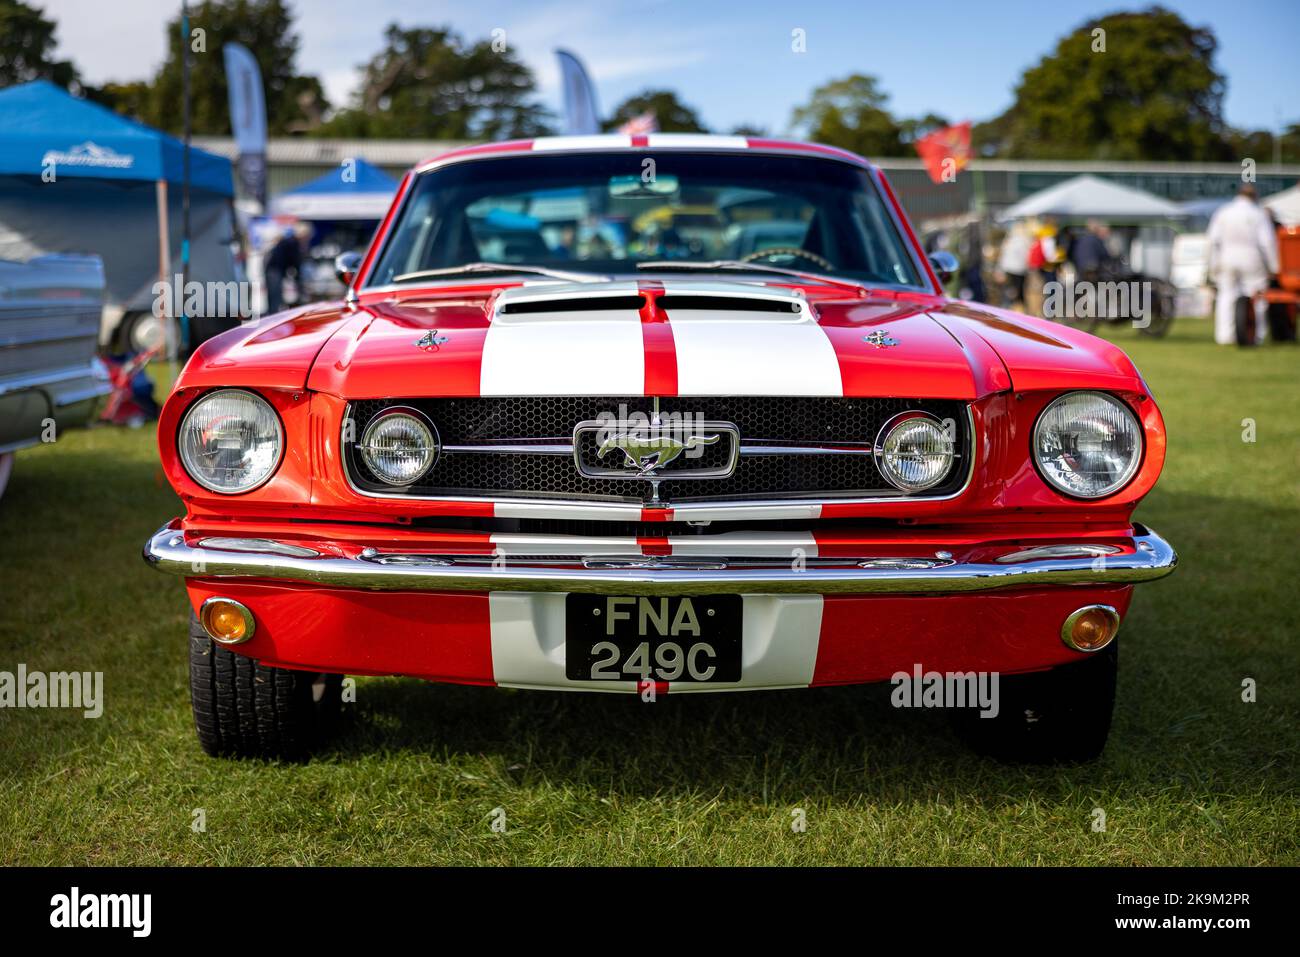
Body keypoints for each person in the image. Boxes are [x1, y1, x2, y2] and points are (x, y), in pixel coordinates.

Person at [1206, 184, 1279, 345]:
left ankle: (1224, 336)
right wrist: (1274, 267)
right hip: (1252, 258)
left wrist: (1212, 265)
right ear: (1254, 196)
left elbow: (1212, 241)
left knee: (1226, 296)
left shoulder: (1223, 212)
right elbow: (1267, 243)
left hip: (1227, 257)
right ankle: (1256, 335)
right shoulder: (1258, 214)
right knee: (1257, 296)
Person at [263, 226, 304, 315]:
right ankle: (273, 316)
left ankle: (272, 314)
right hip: (275, 270)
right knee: (275, 296)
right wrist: (298, 275)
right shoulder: (292, 242)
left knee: (273, 296)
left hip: (272, 269)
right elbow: (295, 260)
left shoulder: (287, 241)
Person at [997, 222, 1031, 309]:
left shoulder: (1009, 241)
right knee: (1019, 292)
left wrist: (1000, 269)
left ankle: (1008, 307)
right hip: (1020, 270)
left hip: (1008, 269)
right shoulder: (1025, 241)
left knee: (1010, 290)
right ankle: (1019, 309)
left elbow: (1003, 256)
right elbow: (1026, 257)